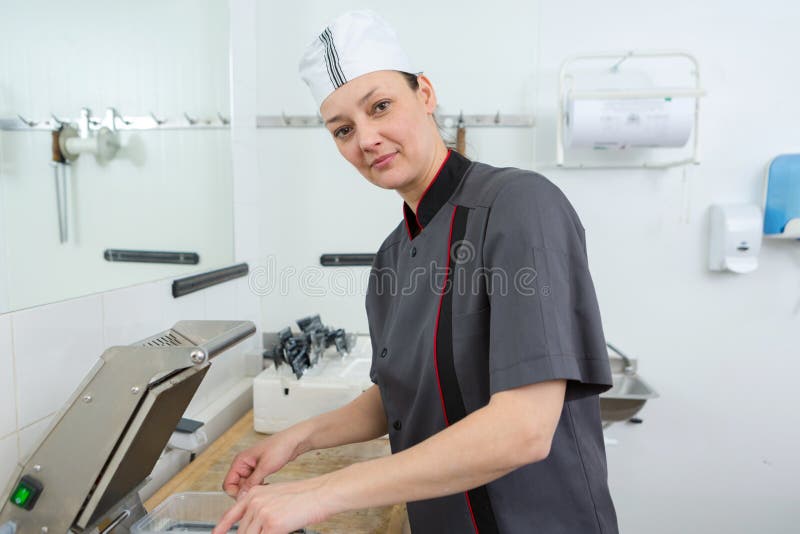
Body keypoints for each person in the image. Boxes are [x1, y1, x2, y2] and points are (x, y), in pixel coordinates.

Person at [214, 10, 618, 534]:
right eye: (342, 130)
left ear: (424, 93)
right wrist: (298, 438)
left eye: (380, 106)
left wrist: (321, 493)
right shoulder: (390, 258)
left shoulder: (519, 205)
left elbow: (524, 429)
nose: (366, 139)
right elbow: (402, 396)